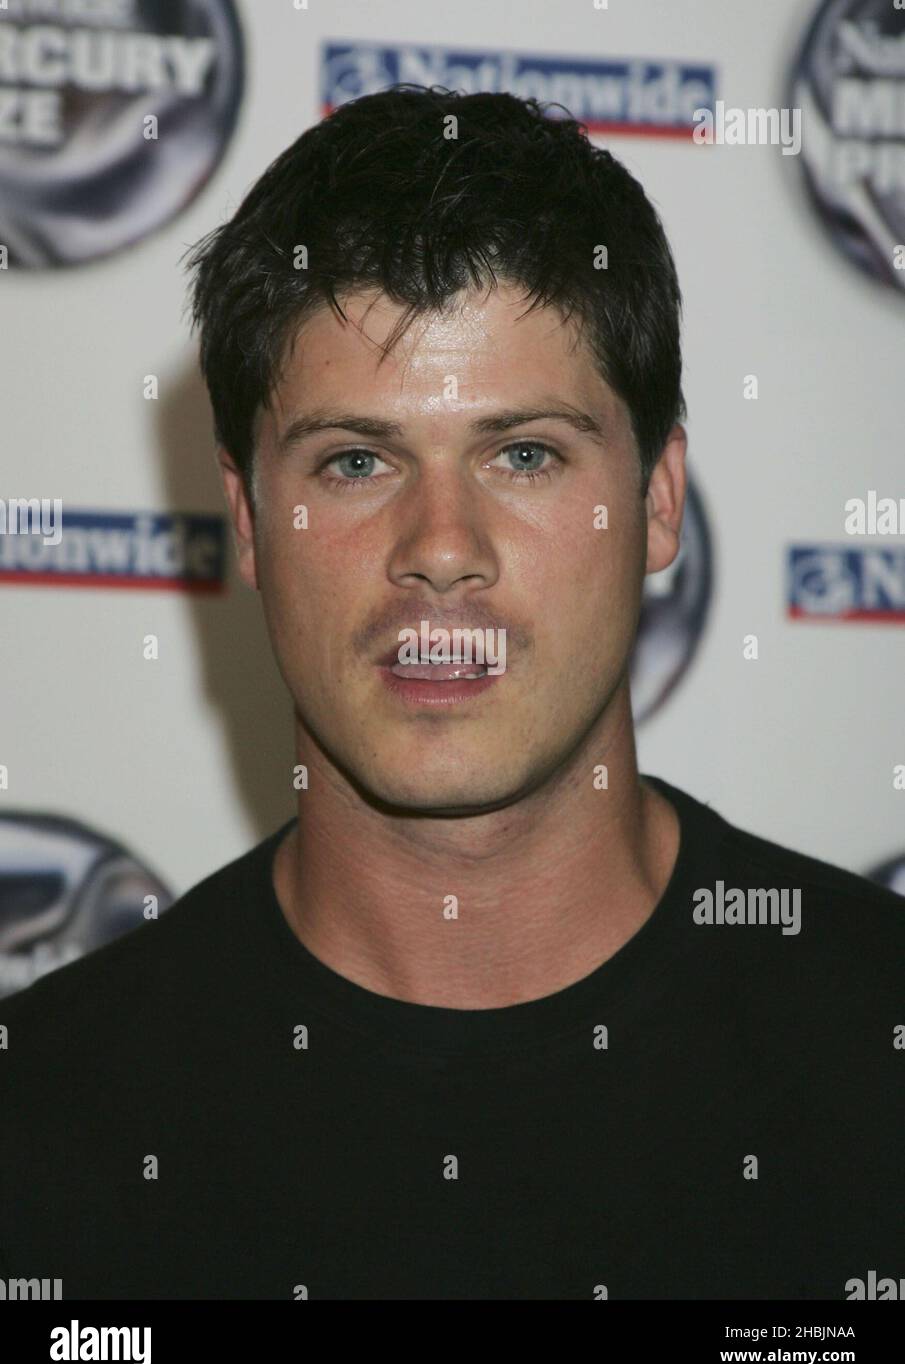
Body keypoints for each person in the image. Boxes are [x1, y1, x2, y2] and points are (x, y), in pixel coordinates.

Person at [1, 86, 902, 1301]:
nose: (438, 543)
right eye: (355, 460)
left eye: (523, 453)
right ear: (249, 520)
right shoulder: (44, 1123)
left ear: (654, 499)